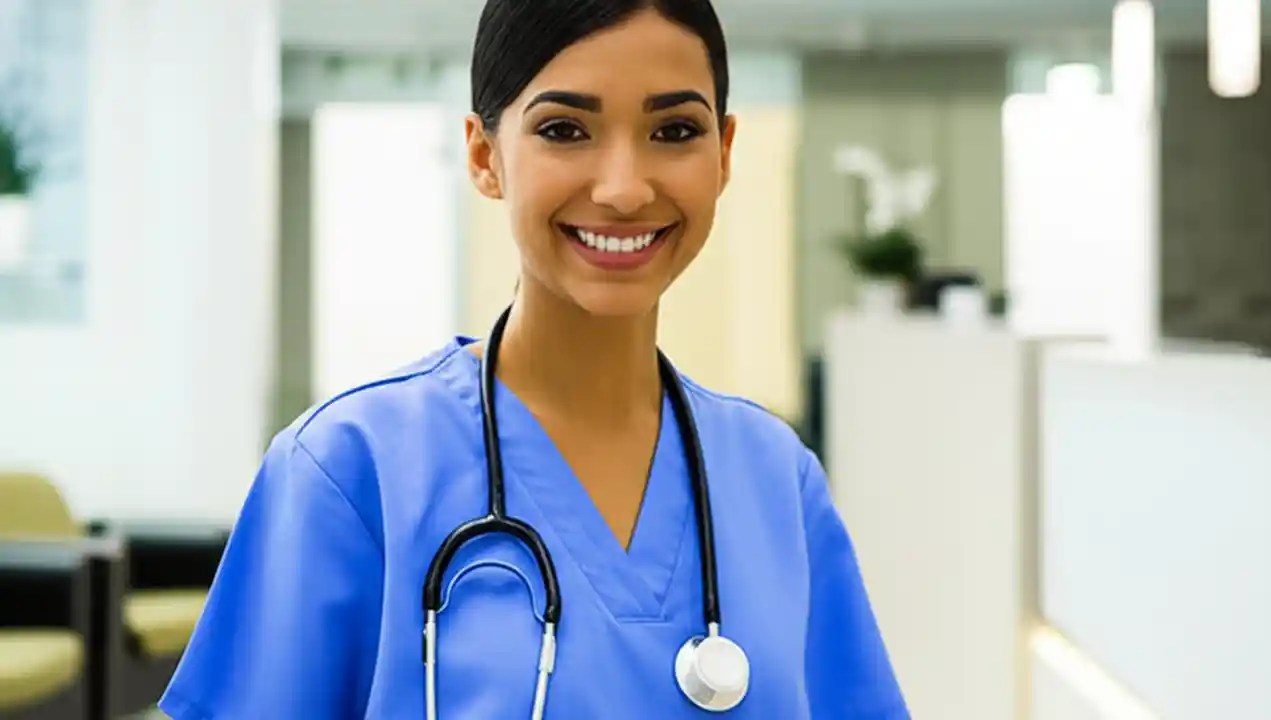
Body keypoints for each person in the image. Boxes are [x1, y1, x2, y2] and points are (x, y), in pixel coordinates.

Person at [158, 1, 908, 717]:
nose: (623, 188)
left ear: (724, 155)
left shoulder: (775, 479)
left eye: (675, 130)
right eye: (565, 129)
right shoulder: (350, 470)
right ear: (485, 158)